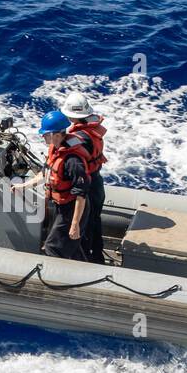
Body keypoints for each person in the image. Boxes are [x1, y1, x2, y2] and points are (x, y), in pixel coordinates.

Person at [11, 110, 89, 261]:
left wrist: (75, 223)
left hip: (72, 209)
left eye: (46, 134)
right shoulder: (56, 150)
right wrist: (23, 186)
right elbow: (45, 173)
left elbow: (81, 194)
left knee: (53, 248)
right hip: (61, 205)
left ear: (57, 135)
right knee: (70, 245)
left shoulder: (72, 161)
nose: (43, 136)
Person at [60, 91, 108, 263]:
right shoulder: (91, 128)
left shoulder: (78, 138)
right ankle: (97, 255)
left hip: (87, 185)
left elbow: (62, 148)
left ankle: (88, 260)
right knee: (94, 221)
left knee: (85, 224)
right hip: (97, 183)